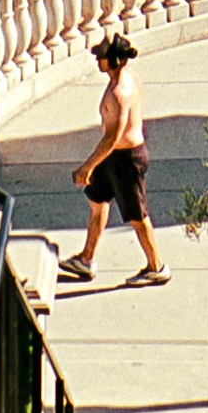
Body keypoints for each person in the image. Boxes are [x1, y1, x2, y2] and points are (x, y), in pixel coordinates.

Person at [58, 33, 170, 287]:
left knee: (137, 216)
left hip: (125, 160)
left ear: (114, 60)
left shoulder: (121, 91)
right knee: (97, 201)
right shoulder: (124, 77)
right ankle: (86, 260)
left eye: (101, 57)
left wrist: (87, 166)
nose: (97, 59)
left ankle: (157, 267)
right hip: (113, 158)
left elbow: (112, 137)